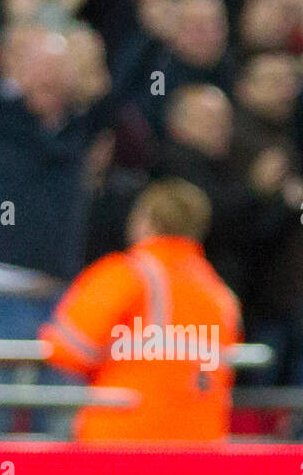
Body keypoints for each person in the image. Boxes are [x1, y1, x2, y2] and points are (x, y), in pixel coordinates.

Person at [39, 178, 240, 442]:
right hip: (199, 444)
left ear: (145, 220)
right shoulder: (220, 293)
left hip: (123, 440)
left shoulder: (126, 274)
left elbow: (65, 349)